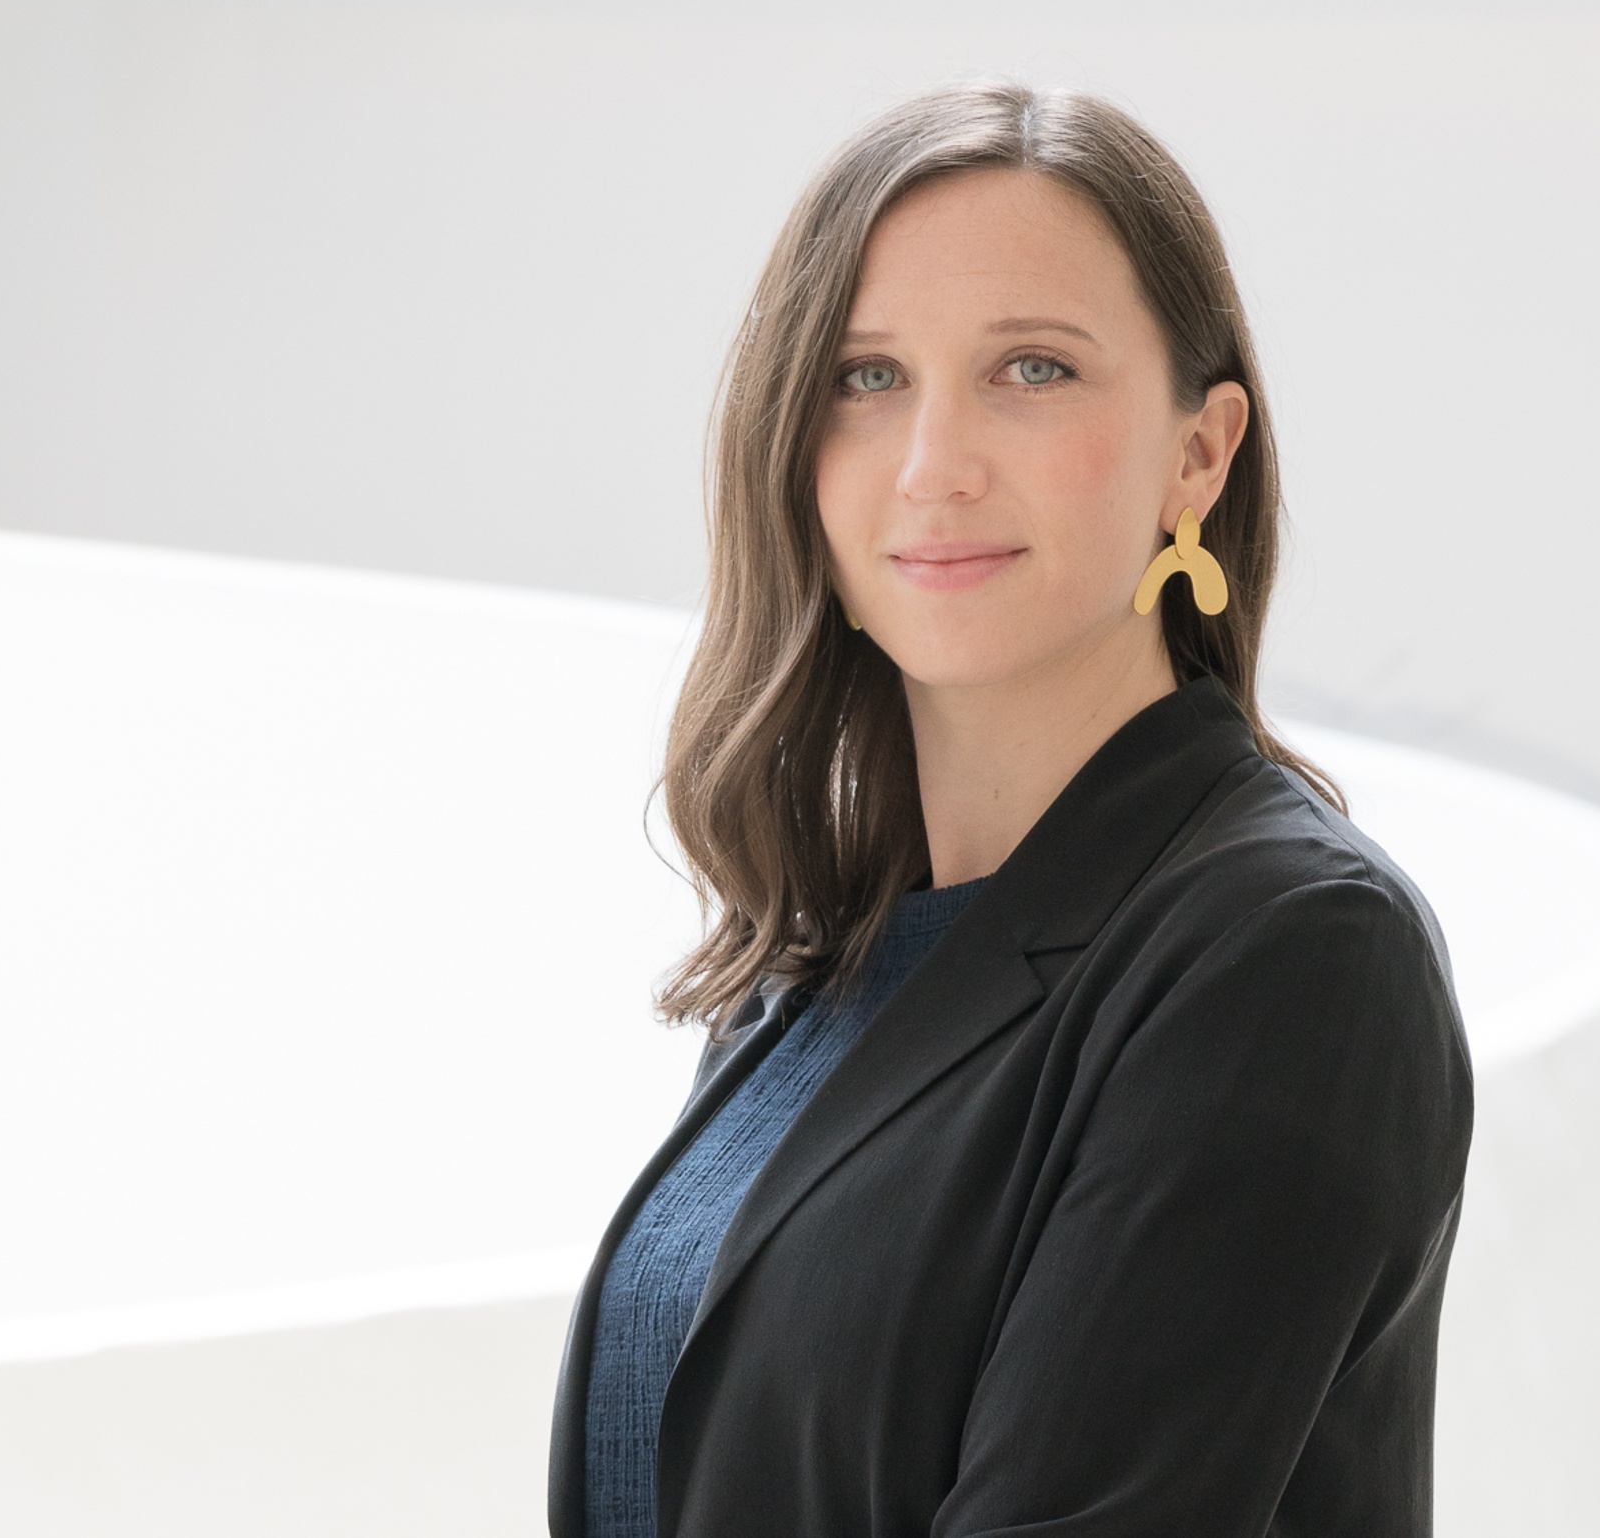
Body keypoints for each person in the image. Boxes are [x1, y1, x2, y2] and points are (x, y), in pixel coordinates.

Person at [549, 80, 1473, 1538]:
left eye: (1033, 369)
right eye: (866, 378)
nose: (935, 465)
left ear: (1199, 453)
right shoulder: (837, 941)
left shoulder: (1290, 955)